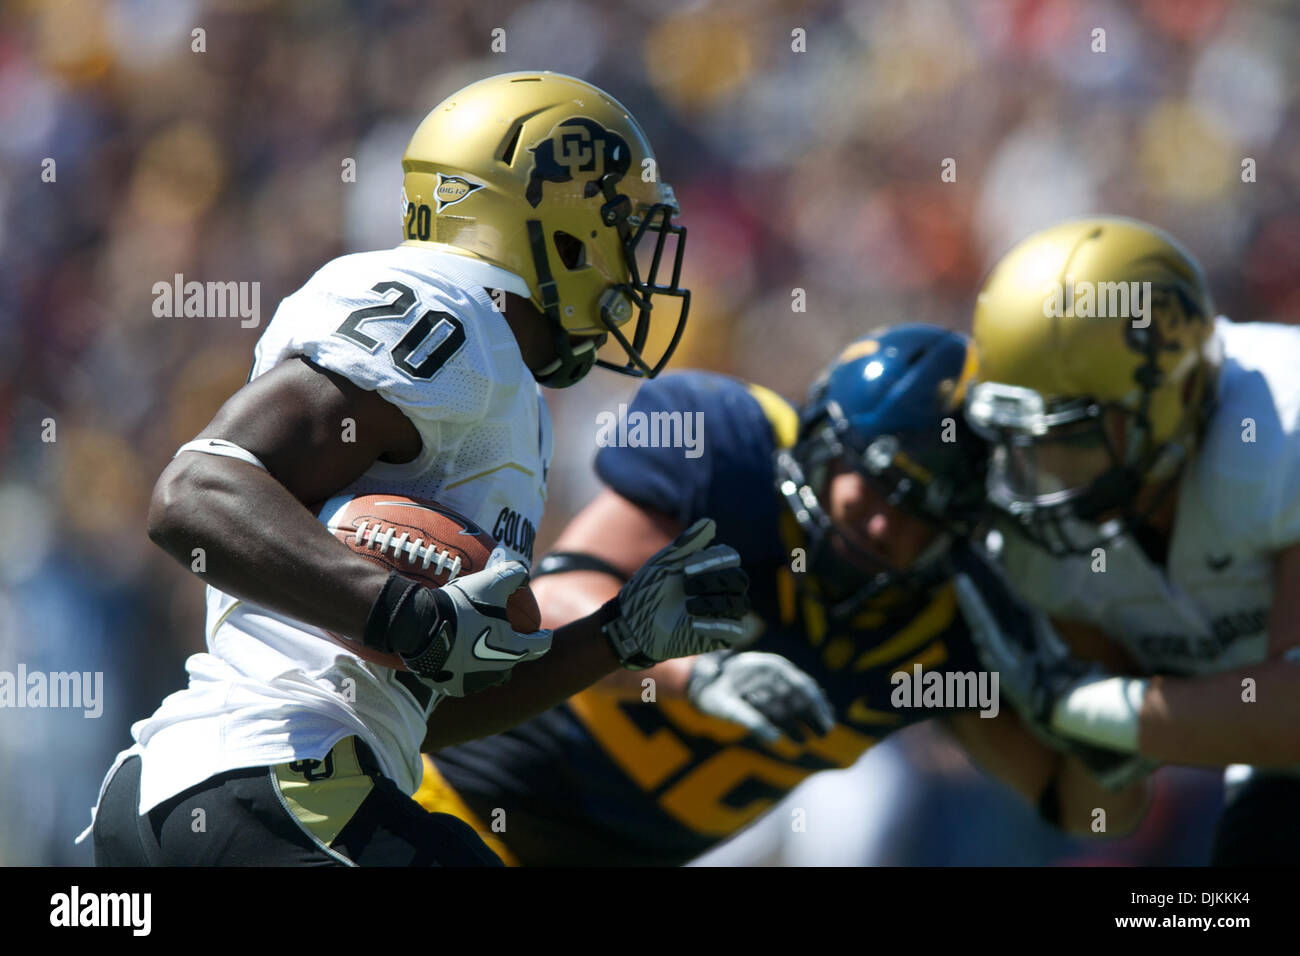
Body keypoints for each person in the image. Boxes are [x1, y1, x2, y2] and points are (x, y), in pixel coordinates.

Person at [81, 71, 748, 867]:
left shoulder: (510, 391)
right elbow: (197, 490)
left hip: (254, 788)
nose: (631, 270)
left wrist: (615, 637)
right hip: (266, 779)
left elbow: (425, 708)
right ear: (554, 224)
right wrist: (410, 615)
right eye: (619, 231)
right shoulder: (453, 313)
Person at [418, 323, 1123, 865]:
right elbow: (557, 597)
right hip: (451, 805)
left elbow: (1083, 805)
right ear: (826, 443)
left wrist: (1105, 721)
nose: (886, 523)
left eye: (922, 513)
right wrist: (697, 675)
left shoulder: (945, 623)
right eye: (878, 484)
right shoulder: (731, 457)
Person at [953, 216, 1300, 864]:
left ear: (1179, 392)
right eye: (1023, 440)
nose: (1039, 469)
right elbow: (1107, 809)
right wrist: (1043, 722)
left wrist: (1084, 704)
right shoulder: (1044, 528)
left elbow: (1289, 714)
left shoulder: (1281, 425)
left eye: (1069, 436)